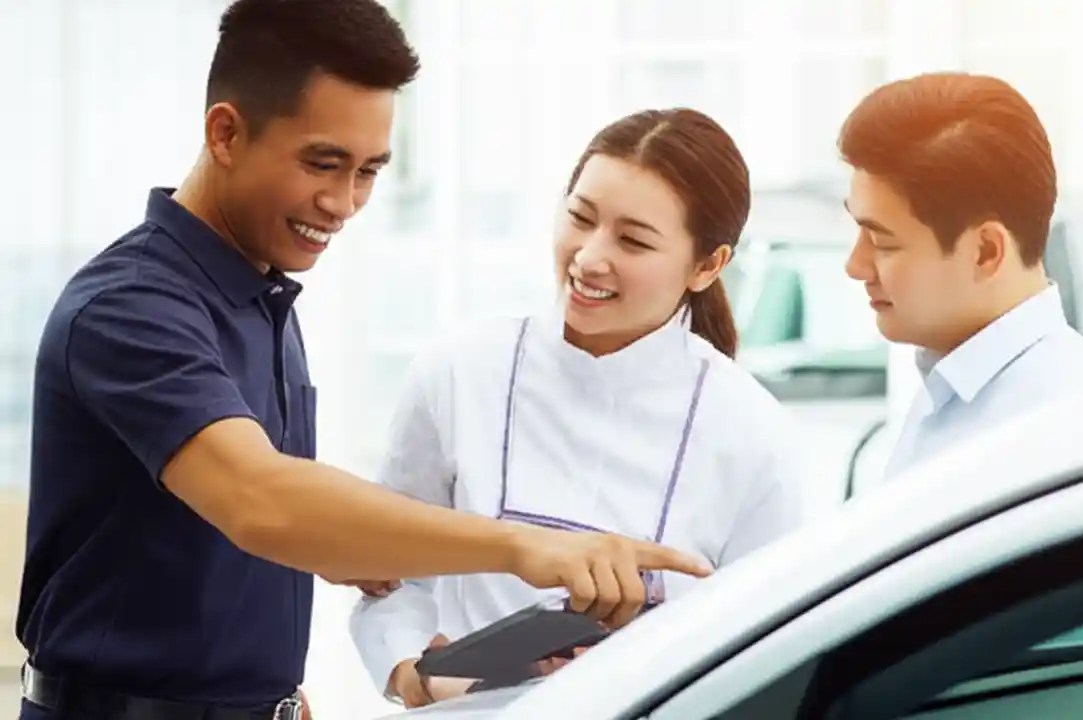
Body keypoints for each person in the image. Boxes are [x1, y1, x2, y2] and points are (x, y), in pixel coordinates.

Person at [16, 3, 707, 719]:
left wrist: (272, 691)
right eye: (323, 163)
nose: (344, 202)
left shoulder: (262, 297)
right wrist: (526, 547)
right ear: (225, 133)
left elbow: (240, 527)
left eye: (369, 171)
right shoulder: (132, 307)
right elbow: (262, 500)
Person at [349, 108, 806, 708]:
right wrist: (417, 672)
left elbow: (775, 643)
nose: (589, 258)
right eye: (579, 218)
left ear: (708, 266)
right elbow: (390, 572)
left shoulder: (751, 429)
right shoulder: (460, 370)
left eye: (633, 240)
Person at [837, 72, 1083, 481]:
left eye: (883, 242)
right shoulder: (958, 389)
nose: (855, 265)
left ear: (986, 252)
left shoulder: (1058, 430)